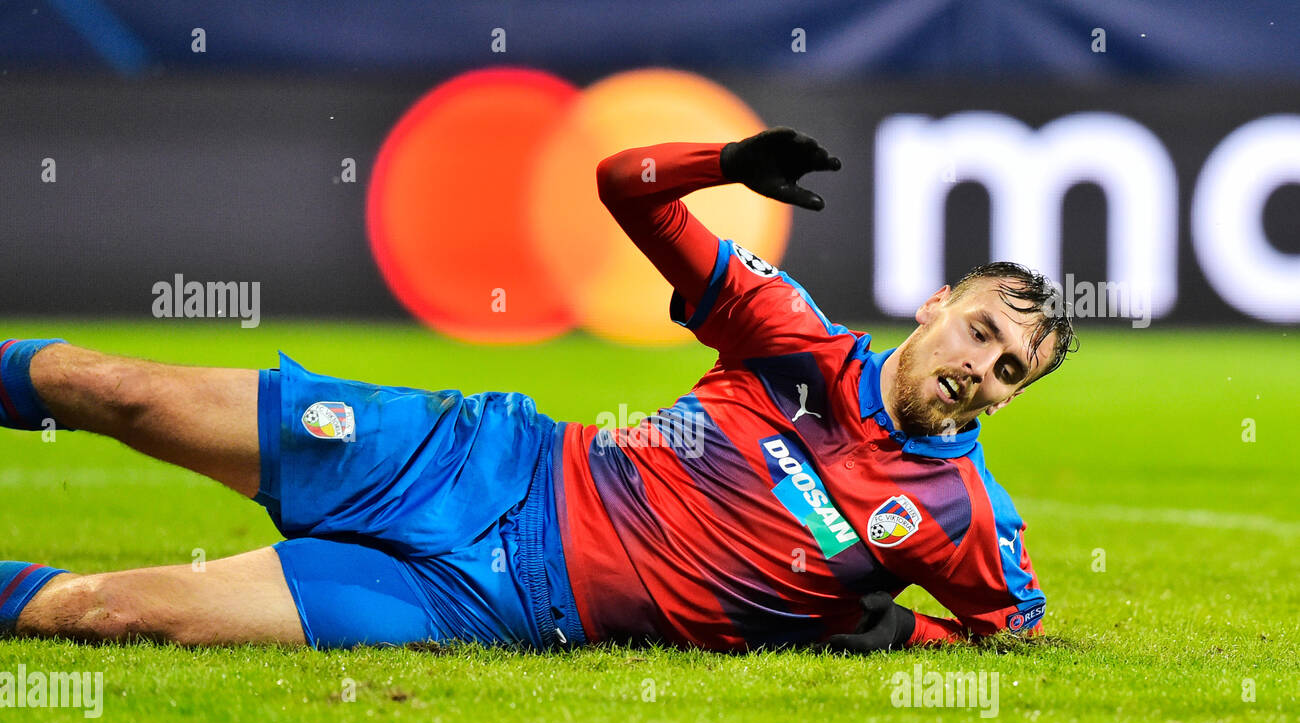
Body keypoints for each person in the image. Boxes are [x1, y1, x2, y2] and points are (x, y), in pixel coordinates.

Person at [0, 127, 1074, 654]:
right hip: (469, 459)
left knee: (111, 610)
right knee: (120, 390)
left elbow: (1010, 641)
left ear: (1010, 397)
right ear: (935, 305)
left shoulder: (959, 516)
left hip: (495, 602)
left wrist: (882, 633)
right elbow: (621, 186)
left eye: (1008, 368)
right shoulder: (790, 335)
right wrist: (725, 159)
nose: (980, 365)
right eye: (980, 329)